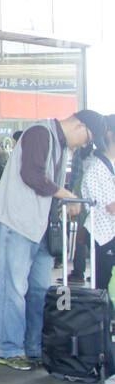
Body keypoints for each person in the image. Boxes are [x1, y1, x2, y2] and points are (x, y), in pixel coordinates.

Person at [0, 109, 105, 370]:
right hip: (17, 222)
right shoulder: (40, 133)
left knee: (39, 291)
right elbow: (31, 176)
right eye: (87, 138)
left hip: (39, 226)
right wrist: (65, 194)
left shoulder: (59, 143)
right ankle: (9, 349)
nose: (85, 144)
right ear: (80, 125)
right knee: (13, 289)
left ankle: (33, 348)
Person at [80, 115, 115, 296]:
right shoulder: (96, 167)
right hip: (104, 235)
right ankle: (104, 321)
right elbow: (109, 207)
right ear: (109, 135)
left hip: (110, 233)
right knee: (104, 287)